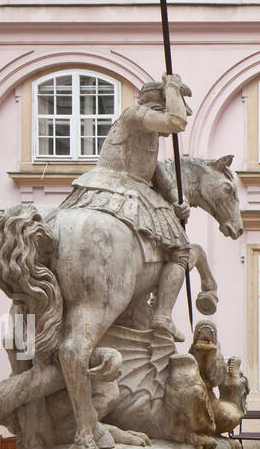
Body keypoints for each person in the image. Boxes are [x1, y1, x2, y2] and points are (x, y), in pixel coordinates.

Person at [58, 74, 193, 341]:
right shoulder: (135, 116)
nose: (166, 133)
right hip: (121, 189)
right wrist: (174, 86)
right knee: (180, 251)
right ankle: (162, 315)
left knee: (174, 245)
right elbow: (176, 122)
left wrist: (179, 200)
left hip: (127, 189)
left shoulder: (148, 134)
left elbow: (157, 174)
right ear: (159, 107)